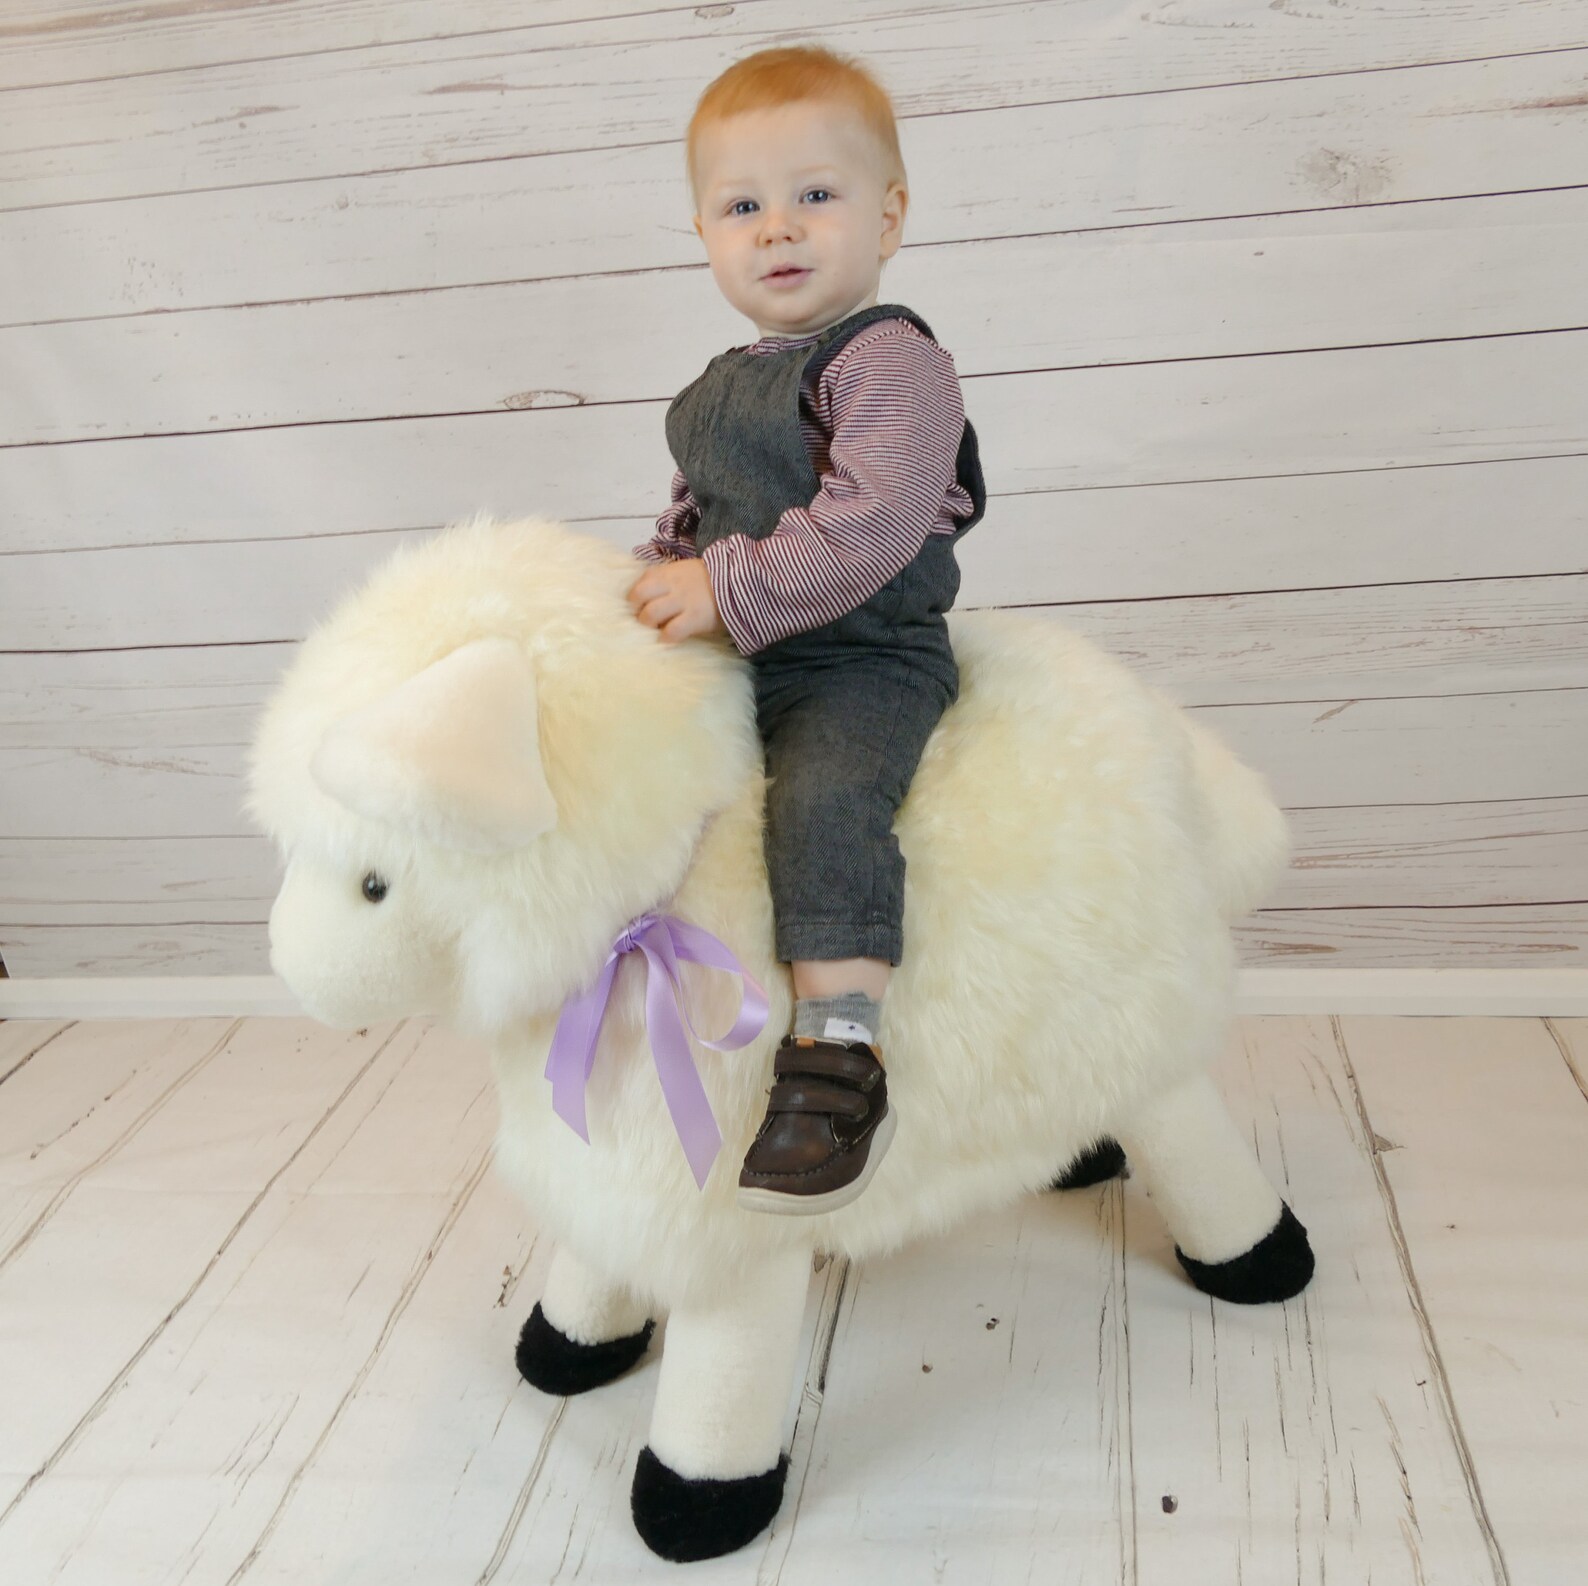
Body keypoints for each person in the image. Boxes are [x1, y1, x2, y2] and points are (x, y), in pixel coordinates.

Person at [627, 44, 986, 1215]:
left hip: (860, 656)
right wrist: (646, 593)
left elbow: (869, 523)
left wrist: (719, 588)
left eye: (815, 194)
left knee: (824, 798)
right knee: (636, 784)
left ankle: (838, 1049)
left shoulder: (892, 362)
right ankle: (645, 1018)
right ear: (703, 232)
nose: (777, 227)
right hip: (747, 652)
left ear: (887, 216)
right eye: (742, 206)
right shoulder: (715, 387)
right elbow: (689, 527)